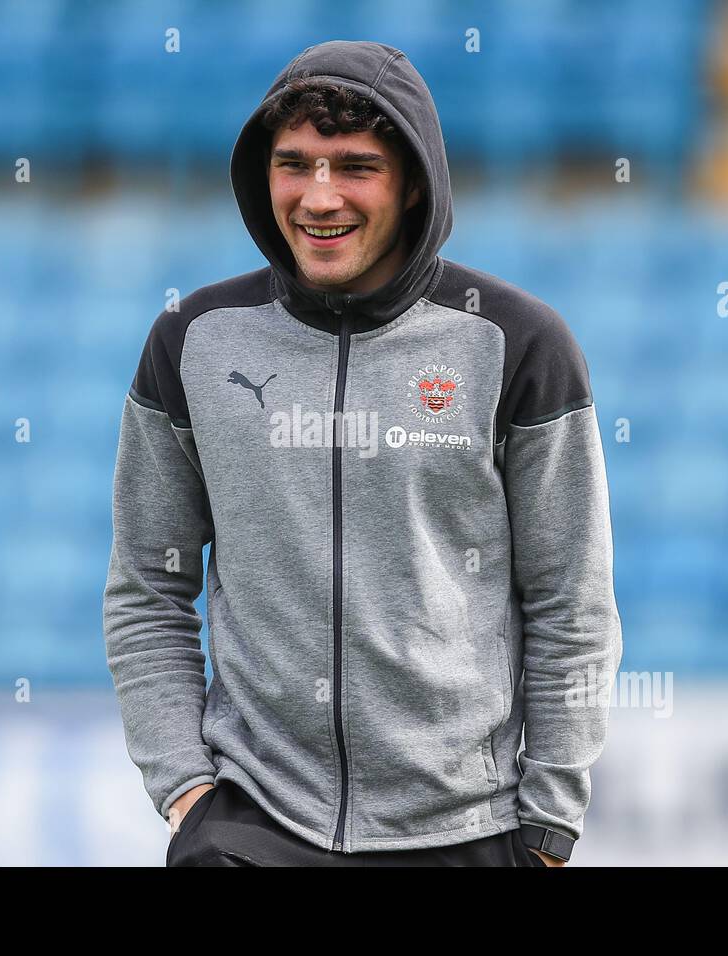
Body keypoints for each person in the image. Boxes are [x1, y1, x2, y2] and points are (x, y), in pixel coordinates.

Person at [103, 39, 622, 867]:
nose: (318, 196)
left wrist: (550, 825)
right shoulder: (192, 341)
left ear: (413, 180)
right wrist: (186, 791)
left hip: (469, 831)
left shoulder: (517, 343)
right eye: (294, 164)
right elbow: (146, 586)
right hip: (252, 825)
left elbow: (571, 600)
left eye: (354, 167)